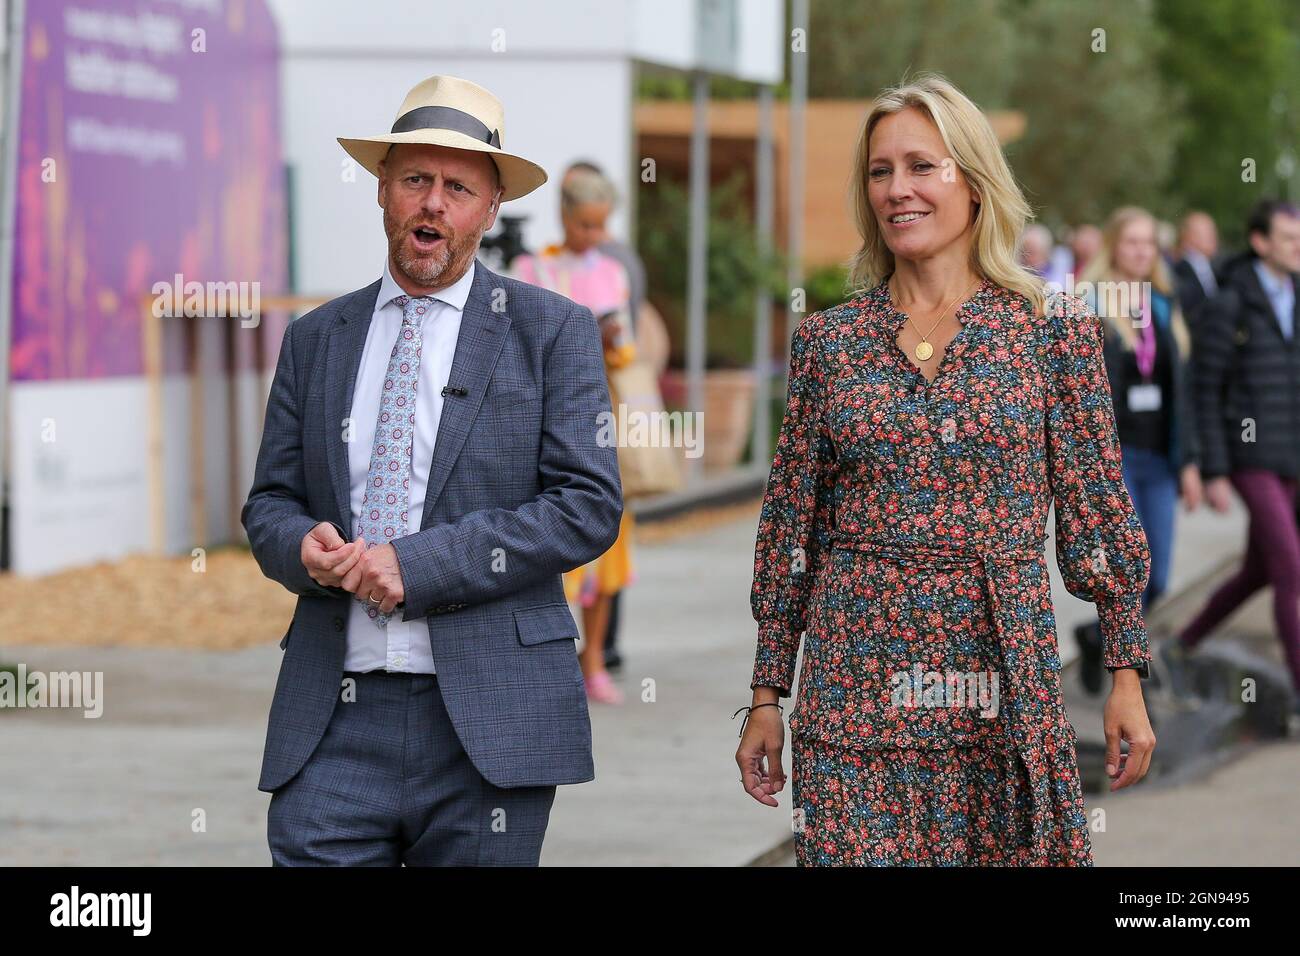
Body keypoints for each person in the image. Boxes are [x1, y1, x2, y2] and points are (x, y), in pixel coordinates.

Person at [735, 73, 1155, 867]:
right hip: (852, 697)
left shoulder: (1050, 332)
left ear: (973, 180)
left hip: (1001, 687)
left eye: (923, 166)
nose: (899, 189)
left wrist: (1126, 671)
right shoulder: (830, 343)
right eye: (880, 170)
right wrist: (766, 694)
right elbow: (790, 530)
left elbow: (1097, 513)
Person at [241, 75, 622, 865]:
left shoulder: (553, 332)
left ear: (489, 209)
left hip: (490, 723)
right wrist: (299, 550)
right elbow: (271, 500)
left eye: (458, 187)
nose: (433, 204)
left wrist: (418, 564)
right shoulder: (317, 337)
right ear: (383, 190)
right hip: (332, 719)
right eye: (416, 179)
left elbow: (588, 504)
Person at [511, 167, 637, 705]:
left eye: (600, 226)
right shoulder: (530, 269)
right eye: (585, 224)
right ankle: (550, 663)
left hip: (600, 422)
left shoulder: (611, 272)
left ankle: (594, 663)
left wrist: (609, 340)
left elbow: (627, 352)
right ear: (564, 215)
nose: (592, 235)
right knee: (546, 547)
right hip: (538, 427)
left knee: (606, 548)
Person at [1173, 199, 1300, 709]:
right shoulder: (1231, 303)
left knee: (1260, 569)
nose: (1298, 248)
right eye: (1289, 239)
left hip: (1295, 455)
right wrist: (1215, 469)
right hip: (1251, 457)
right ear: (1260, 242)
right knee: (1291, 568)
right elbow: (1205, 388)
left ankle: (1185, 640)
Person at [1071, 207, 1201, 694]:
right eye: (1132, 242)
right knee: (1131, 568)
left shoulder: (1163, 303)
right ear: (1113, 246)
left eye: (1150, 243)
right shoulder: (1091, 303)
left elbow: (1183, 392)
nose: (1142, 251)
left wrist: (1190, 461)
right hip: (1115, 459)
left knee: (1160, 574)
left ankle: (1095, 635)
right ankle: (1128, 665)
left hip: (1161, 458)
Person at [1173, 210, 1221, 324]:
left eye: (1213, 232)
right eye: (1207, 232)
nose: (1214, 237)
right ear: (1186, 236)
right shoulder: (1180, 271)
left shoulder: (1213, 268)